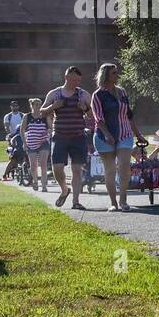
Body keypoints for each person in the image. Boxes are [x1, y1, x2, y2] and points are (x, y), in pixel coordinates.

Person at [91, 63, 146, 212]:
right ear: (106, 75)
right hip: (104, 136)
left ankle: (123, 200)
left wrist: (138, 135)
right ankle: (113, 203)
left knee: (124, 167)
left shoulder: (122, 92)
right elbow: (99, 119)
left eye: (117, 72)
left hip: (125, 135)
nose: (117, 75)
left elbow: (129, 115)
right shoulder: (97, 95)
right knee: (110, 170)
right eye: (114, 73)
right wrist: (108, 134)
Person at [40, 66, 93, 210]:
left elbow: (93, 115)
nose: (76, 82)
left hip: (78, 136)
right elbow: (42, 112)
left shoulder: (83, 95)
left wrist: (86, 108)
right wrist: (54, 106)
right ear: (66, 77)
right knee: (57, 168)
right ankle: (65, 189)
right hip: (60, 136)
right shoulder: (55, 94)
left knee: (77, 169)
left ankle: (75, 201)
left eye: (78, 80)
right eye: (73, 79)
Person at [21, 99, 51, 192]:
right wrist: (24, 143)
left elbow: (51, 127)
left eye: (39, 105)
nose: (38, 107)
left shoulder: (45, 116)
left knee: (43, 164)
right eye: (36, 105)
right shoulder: (27, 116)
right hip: (31, 142)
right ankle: (35, 181)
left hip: (43, 142)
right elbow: (22, 130)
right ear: (32, 106)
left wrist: (48, 131)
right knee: (33, 165)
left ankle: (44, 185)